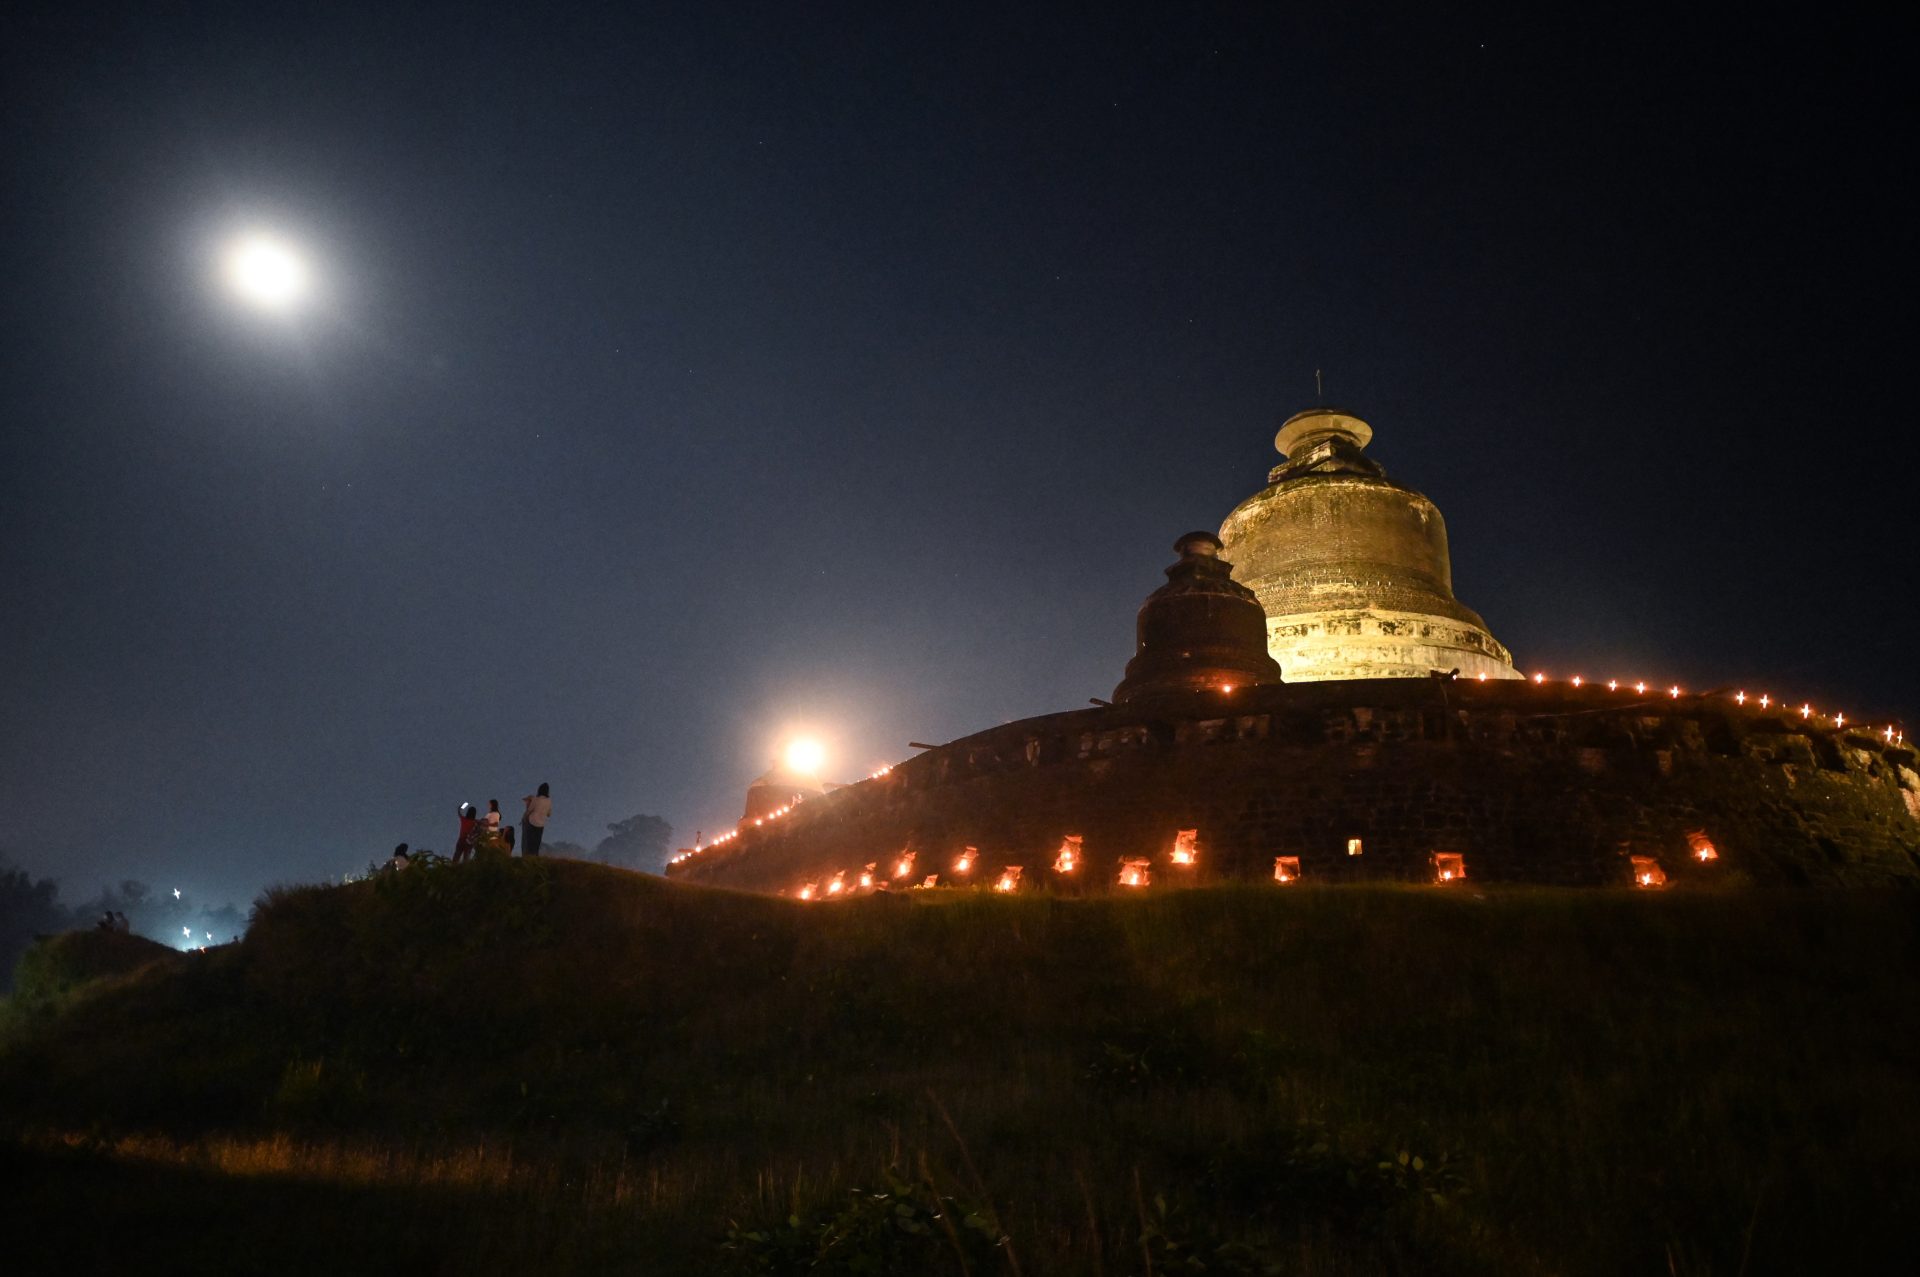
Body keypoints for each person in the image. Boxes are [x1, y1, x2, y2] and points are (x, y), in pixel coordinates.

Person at [521, 782, 552, 857]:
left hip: (532, 822)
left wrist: (523, 818)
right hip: (541, 824)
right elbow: (549, 814)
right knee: (537, 842)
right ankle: (535, 857)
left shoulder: (536, 799)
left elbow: (529, 811)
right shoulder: (549, 801)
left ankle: (527, 857)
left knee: (528, 841)